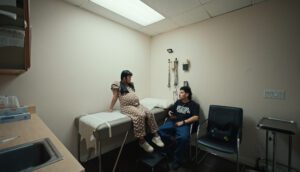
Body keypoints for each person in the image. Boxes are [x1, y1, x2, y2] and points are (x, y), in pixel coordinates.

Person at [109, 70, 164, 153]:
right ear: (124, 77)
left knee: (149, 113)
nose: (131, 78)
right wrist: (110, 108)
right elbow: (115, 96)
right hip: (126, 107)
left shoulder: (130, 85)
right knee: (140, 115)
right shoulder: (117, 84)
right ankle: (142, 141)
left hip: (137, 105)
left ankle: (155, 136)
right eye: (129, 77)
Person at [159, 86, 200, 170]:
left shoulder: (193, 105)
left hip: (184, 124)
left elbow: (196, 117)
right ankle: (170, 150)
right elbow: (172, 111)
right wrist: (170, 113)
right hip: (174, 122)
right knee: (160, 131)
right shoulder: (178, 102)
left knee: (184, 138)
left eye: (181, 92)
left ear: (187, 94)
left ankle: (177, 160)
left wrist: (183, 122)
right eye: (180, 92)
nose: (179, 94)